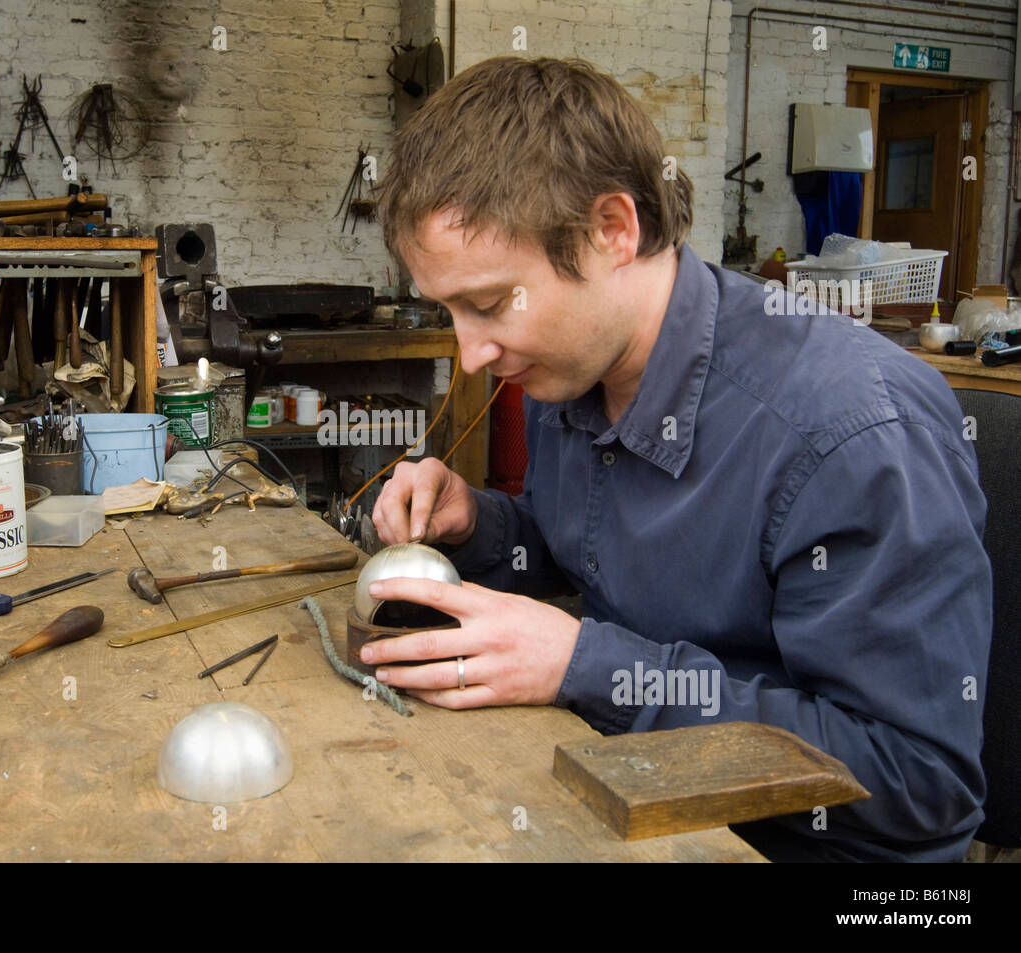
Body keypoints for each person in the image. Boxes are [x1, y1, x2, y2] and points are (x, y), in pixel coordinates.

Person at [367, 56, 991, 862]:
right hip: (612, 797)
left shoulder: (853, 431)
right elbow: (599, 556)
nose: (473, 351)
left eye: (489, 303)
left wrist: (590, 666)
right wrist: (475, 527)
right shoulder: (576, 365)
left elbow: (918, 781)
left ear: (613, 230)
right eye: (446, 309)